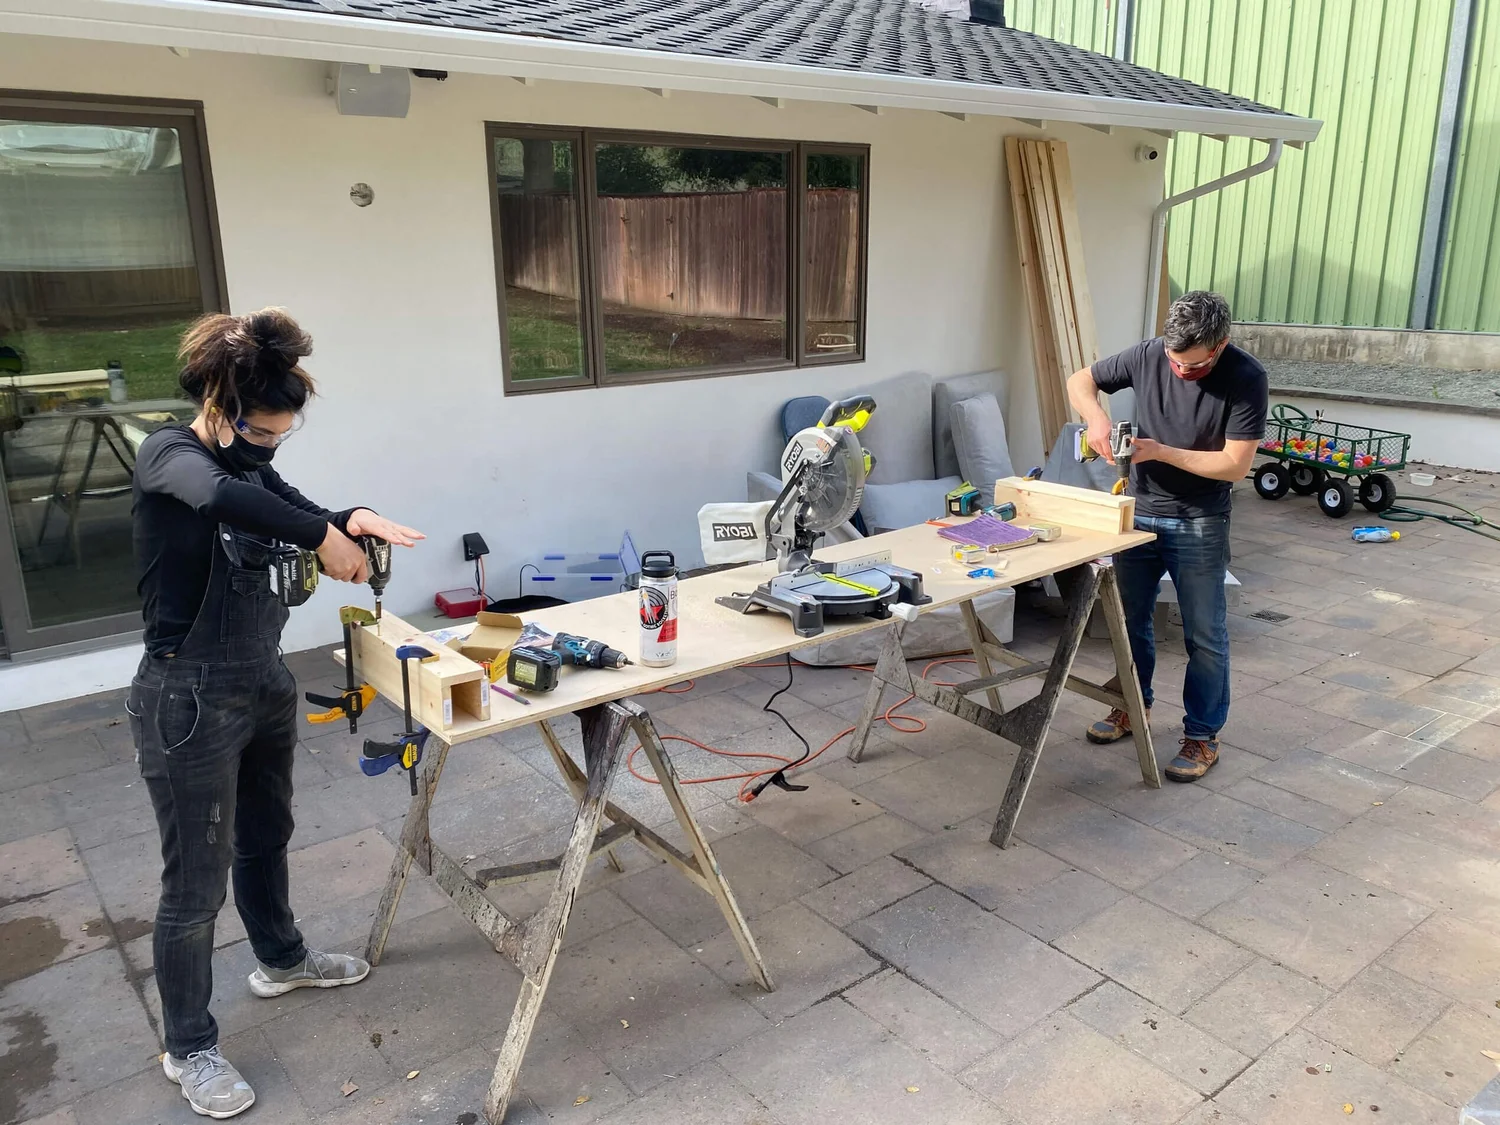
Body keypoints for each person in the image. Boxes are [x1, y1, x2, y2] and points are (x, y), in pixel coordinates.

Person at [129, 308, 423, 1118]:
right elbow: (219, 497)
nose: (269, 450)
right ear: (220, 407)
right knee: (193, 883)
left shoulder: (253, 467)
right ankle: (188, 1046)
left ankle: (281, 959)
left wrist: (348, 520)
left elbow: (293, 505)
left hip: (261, 681)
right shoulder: (171, 454)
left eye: (280, 437)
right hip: (186, 699)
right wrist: (321, 536)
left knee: (267, 834)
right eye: (261, 433)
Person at [1066, 291, 1266, 782]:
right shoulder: (1149, 353)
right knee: (1129, 621)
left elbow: (1234, 466)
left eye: (1194, 367)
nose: (1181, 372)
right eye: (1175, 362)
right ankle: (1132, 707)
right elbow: (1081, 380)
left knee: (1204, 634)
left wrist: (1159, 452)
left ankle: (1201, 736)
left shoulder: (1246, 377)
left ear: (1220, 346)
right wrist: (1096, 418)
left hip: (1199, 520)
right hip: (1138, 514)